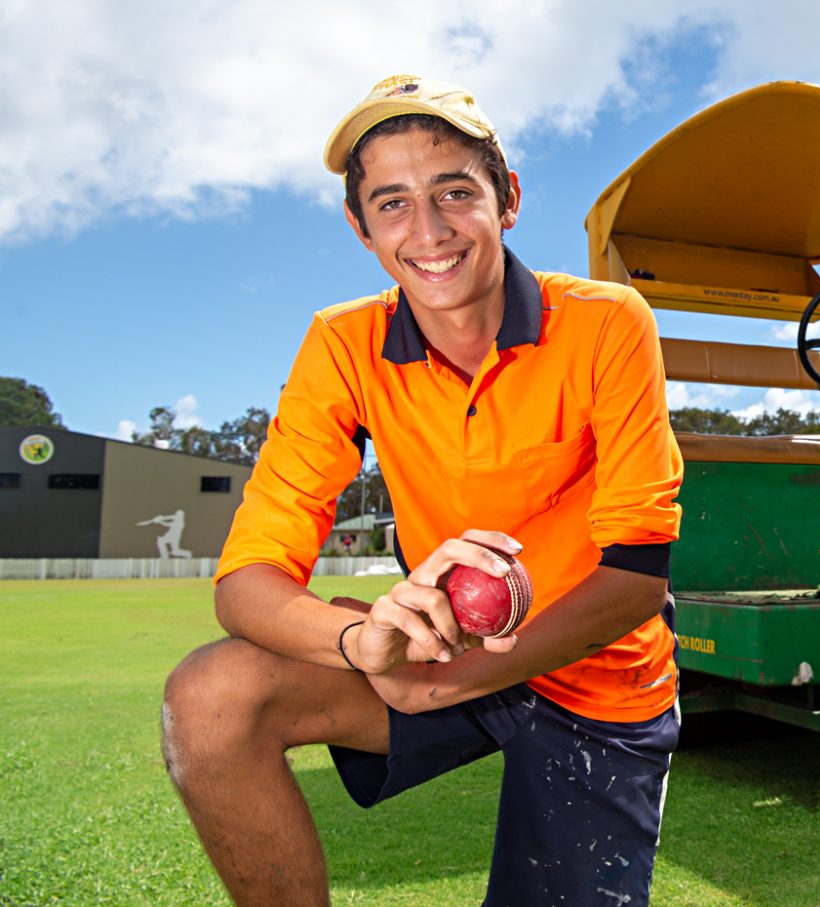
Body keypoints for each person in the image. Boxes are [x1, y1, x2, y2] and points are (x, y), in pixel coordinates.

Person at [160, 75, 684, 907]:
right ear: (360, 226)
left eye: (454, 191)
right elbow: (247, 579)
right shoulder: (344, 341)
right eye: (393, 202)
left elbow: (635, 580)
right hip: (440, 655)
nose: (429, 230)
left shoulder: (606, 322)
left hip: (595, 675)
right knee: (210, 697)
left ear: (506, 198)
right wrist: (362, 645)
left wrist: (437, 681)